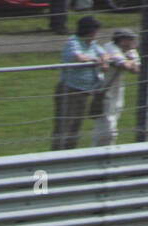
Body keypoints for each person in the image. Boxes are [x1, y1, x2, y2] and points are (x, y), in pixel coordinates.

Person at [50, 16, 106, 152]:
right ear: (89, 31)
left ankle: (70, 154)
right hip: (69, 90)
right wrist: (95, 60)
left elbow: (104, 53)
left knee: (76, 126)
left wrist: (103, 60)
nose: (96, 34)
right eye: (95, 30)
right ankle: (56, 155)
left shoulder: (91, 44)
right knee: (64, 125)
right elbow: (78, 57)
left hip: (84, 91)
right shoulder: (73, 42)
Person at [90, 28, 140, 146]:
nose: (133, 43)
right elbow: (126, 66)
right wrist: (129, 61)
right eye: (130, 40)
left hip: (118, 90)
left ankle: (107, 150)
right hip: (104, 91)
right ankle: (98, 152)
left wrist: (130, 62)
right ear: (122, 41)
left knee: (112, 122)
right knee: (107, 127)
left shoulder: (130, 51)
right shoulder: (110, 48)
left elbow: (136, 69)